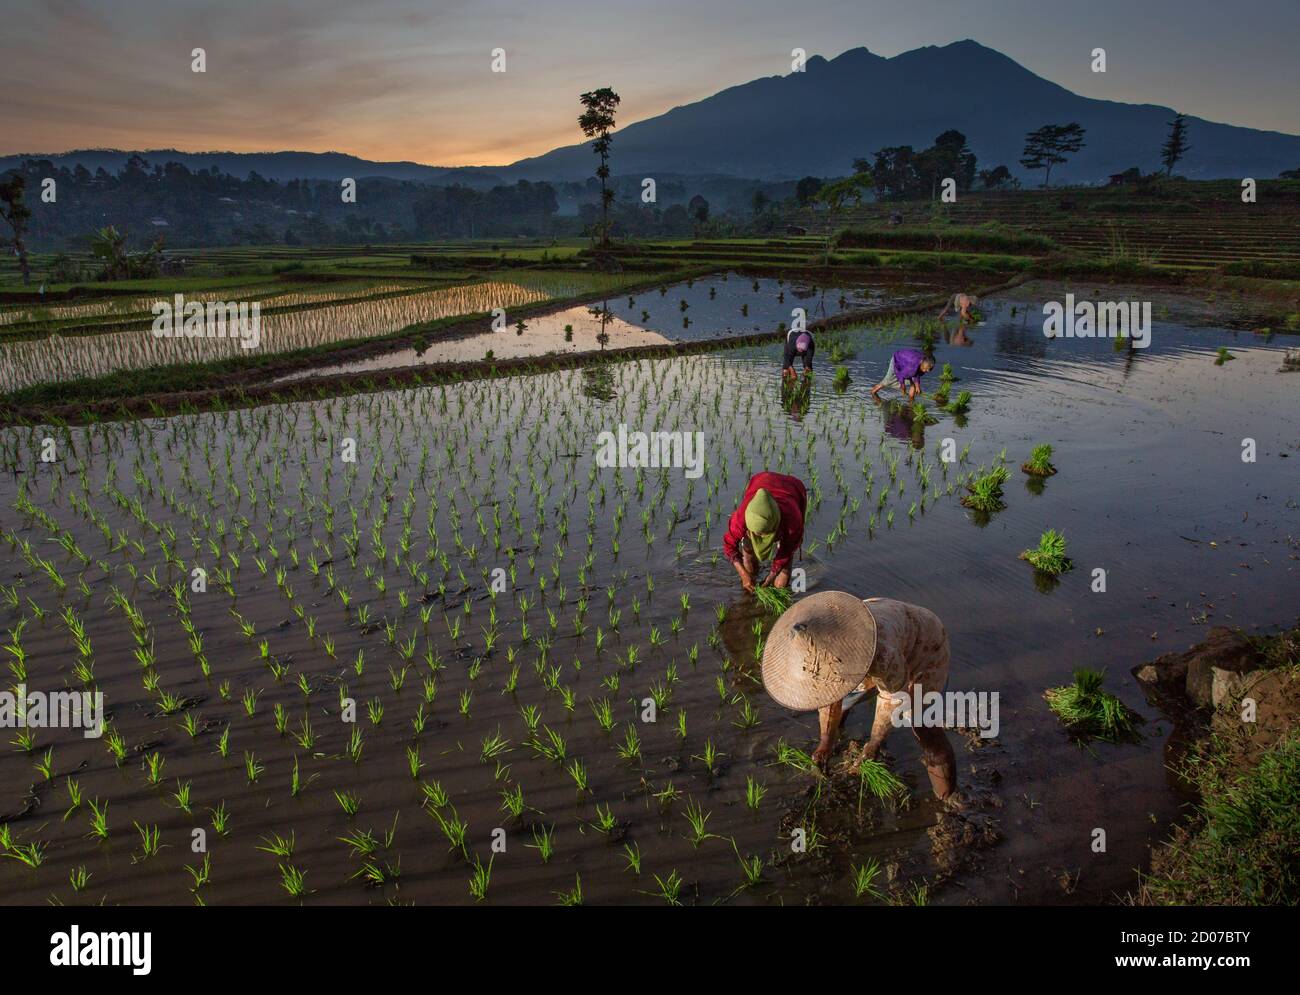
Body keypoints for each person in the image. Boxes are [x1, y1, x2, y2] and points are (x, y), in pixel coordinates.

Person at [760, 590, 957, 800]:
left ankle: (947, 798)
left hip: (924, 646)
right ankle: (835, 737)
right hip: (870, 636)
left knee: (923, 727)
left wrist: (873, 744)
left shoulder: (882, 654)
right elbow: (827, 690)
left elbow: (893, 699)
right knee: (840, 701)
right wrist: (826, 741)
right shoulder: (818, 634)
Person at [722, 471, 806, 593]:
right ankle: (752, 579)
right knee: (748, 548)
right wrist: (744, 575)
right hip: (761, 480)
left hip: (791, 488)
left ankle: (780, 594)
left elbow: (787, 551)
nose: (761, 537)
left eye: (766, 534)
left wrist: (771, 576)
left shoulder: (792, 520)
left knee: (785, 561)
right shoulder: (741, 518)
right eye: (757, 533)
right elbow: (729, 546)